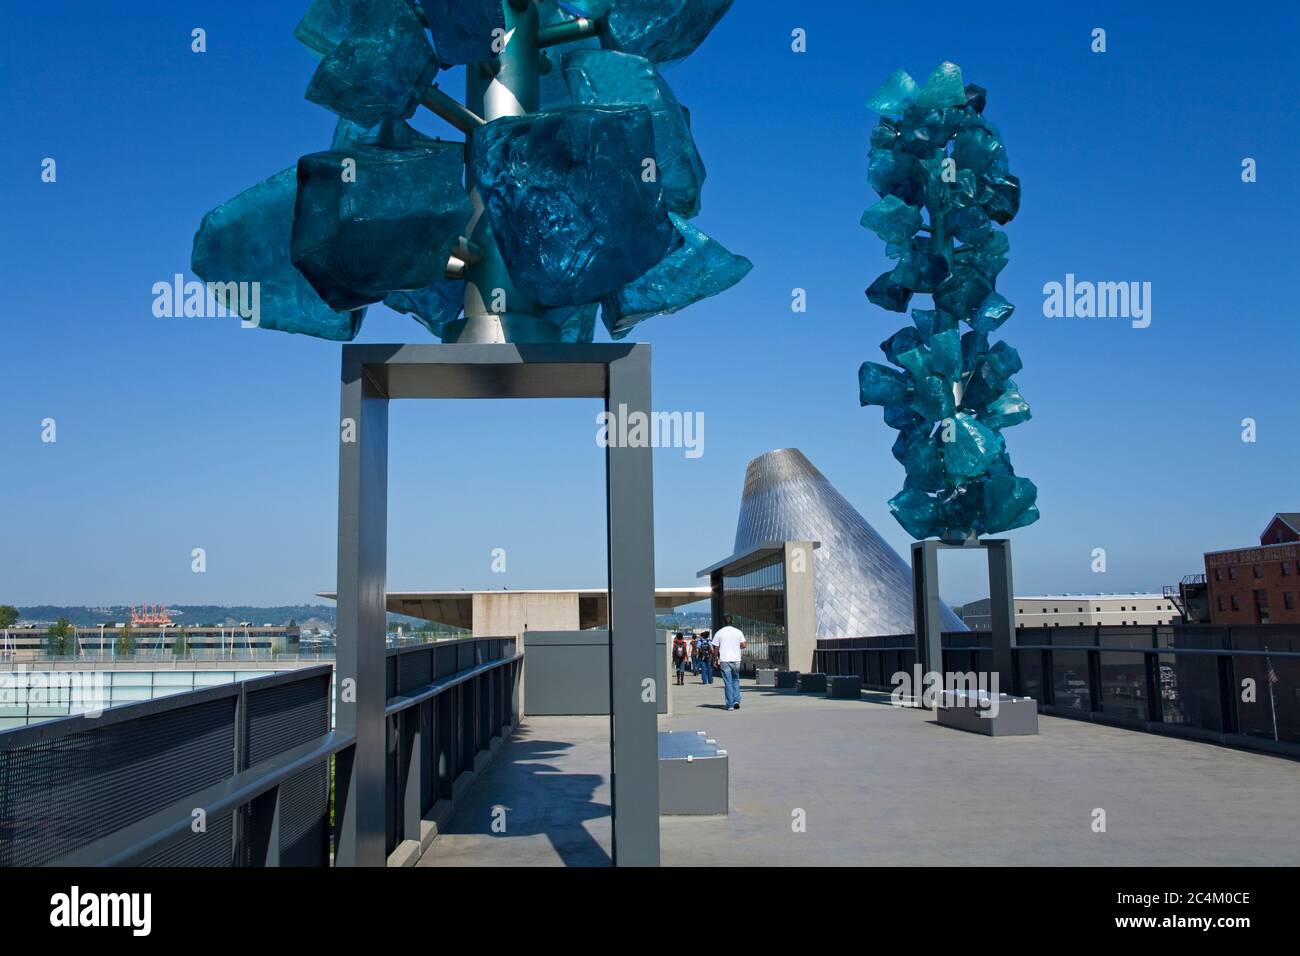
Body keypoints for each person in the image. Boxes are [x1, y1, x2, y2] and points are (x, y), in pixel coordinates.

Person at [713, 616, 747, 710]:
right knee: (736, 680)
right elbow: (744, 645)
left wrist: (715, 660)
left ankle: (730, 705)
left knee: (728, 682)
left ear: (723, 622)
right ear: (732, 621)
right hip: (736, 660)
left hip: (725, 660)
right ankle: (736, 700)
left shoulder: (719, 633)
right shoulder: (738, 632)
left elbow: (715, 648)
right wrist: (735, 646)